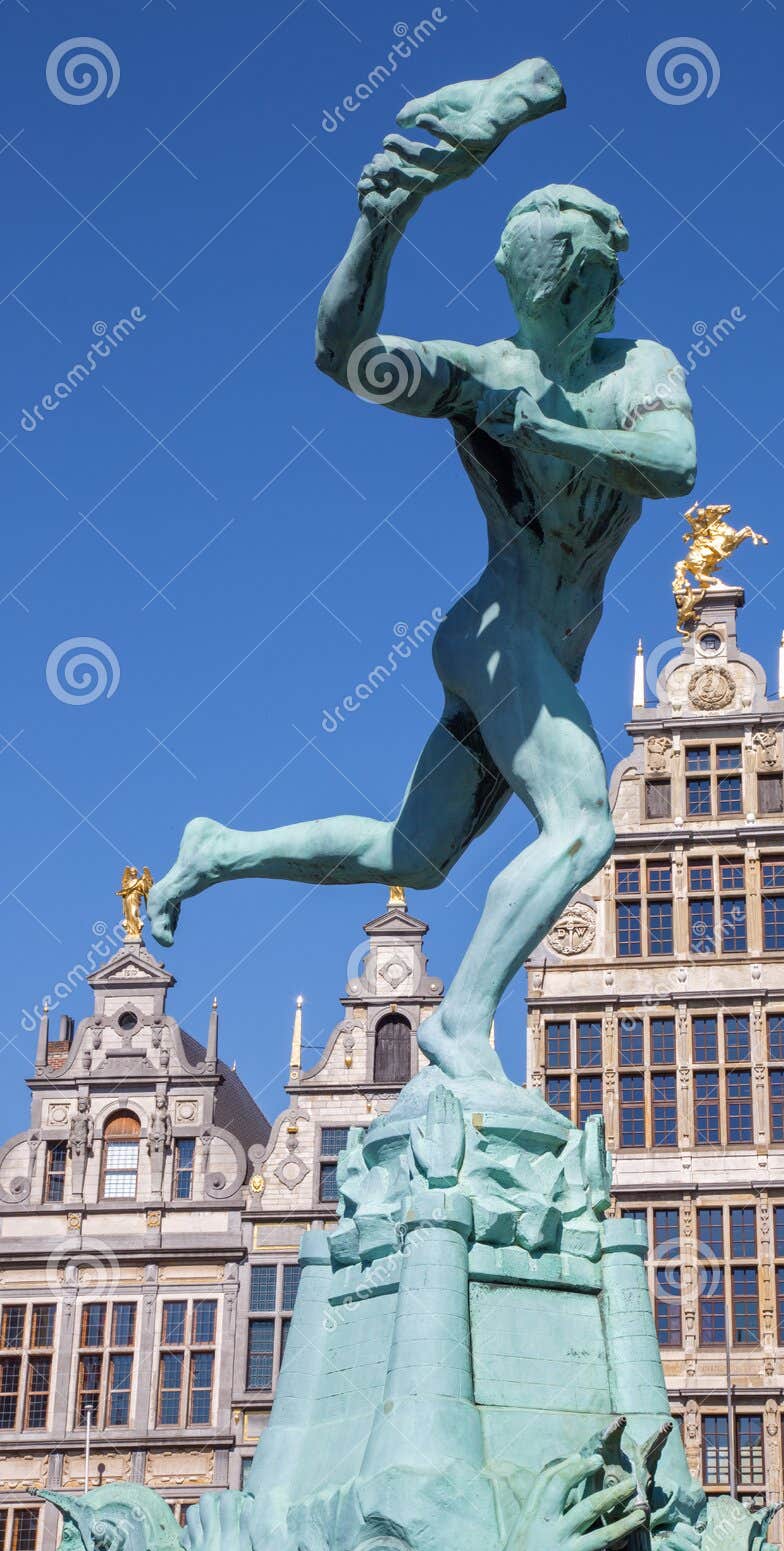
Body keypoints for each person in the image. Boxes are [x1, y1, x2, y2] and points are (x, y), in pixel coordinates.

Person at [148, 145, 696, 1085]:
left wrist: (545, 427)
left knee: (415, 853)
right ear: (577, 284)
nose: (603, 297)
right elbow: (344, 357)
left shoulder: (636, 366)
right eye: (593, 281)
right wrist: (380, 226)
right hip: (499, 632)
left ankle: (220, 850)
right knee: (580, 827)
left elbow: (673, 458)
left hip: (538, 652)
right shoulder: (481, 371)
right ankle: (464, 1023)